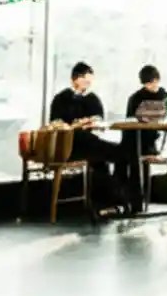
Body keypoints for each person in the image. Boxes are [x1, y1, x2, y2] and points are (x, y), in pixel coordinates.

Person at [48, 62, 126, 212]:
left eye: (90, 81)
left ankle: (112, 199)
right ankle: (114, 200)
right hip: (69, 144)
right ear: (75, 78)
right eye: (85, 80)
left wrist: (89, 122)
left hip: (89, 140)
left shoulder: (92, 98)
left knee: (112, 155)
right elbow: (55, 123)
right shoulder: (61, 98)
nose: (88, 84)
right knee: (112, 154)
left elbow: (99, 120)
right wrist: (75, 125)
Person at [119, 65, 167, 205]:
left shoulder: (165, 96)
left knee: (134, 157)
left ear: (158, 80)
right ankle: (134, 200)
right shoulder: (135, 98)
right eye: (147, 83)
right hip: (135, 139)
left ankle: (138, 199)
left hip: (151, 141)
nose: (150, 86)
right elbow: (130, 120)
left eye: (153, 82)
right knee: (131, 156)